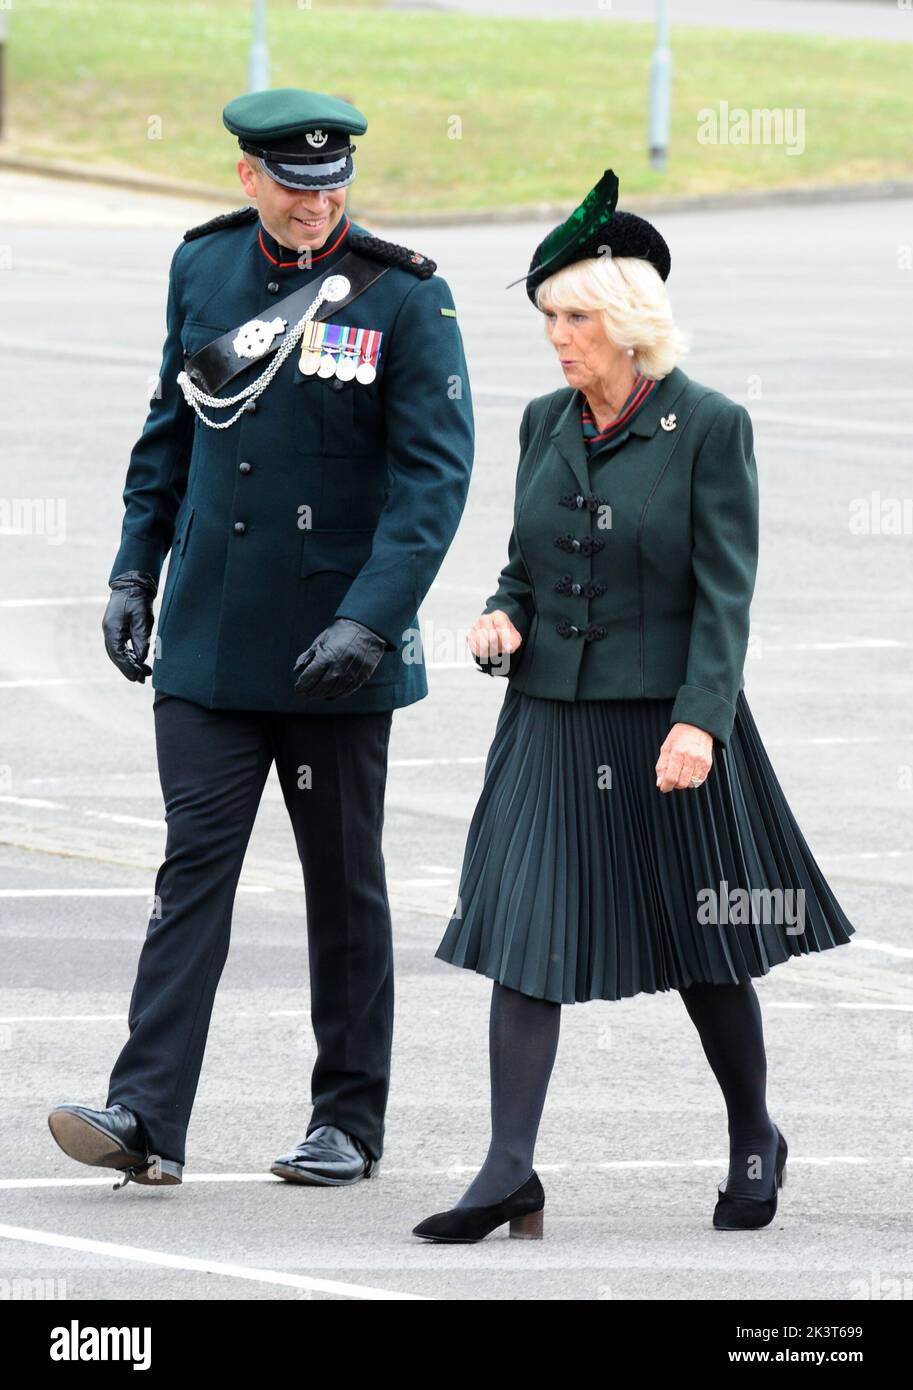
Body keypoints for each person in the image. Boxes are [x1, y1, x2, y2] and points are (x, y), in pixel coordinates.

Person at [412, 170, 855, 1244]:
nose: (555, 338)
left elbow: (724, 591)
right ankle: (508, 1168)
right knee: (523, 933)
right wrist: (498, 615)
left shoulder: (709, 424)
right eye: (548, 319)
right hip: (549, 720)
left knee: (706, 942)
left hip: (667, 724)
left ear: (627, 322)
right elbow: (524, 563)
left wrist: (700, 721)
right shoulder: (540, 421)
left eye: (573, 318)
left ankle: (754, 1132)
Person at [47, 87, 474, 1190]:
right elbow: (168, 433)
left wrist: (369, 621)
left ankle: (347, 1119)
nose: (313, 204)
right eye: (292, 186)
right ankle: (146, 1117)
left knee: (342, 883)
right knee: (193, 868)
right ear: (248, 179)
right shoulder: (202, 268)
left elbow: (433, 482)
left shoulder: (404, 299)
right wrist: (134, 570)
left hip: (336, 649)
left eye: (332, 185)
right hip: (210, 642)